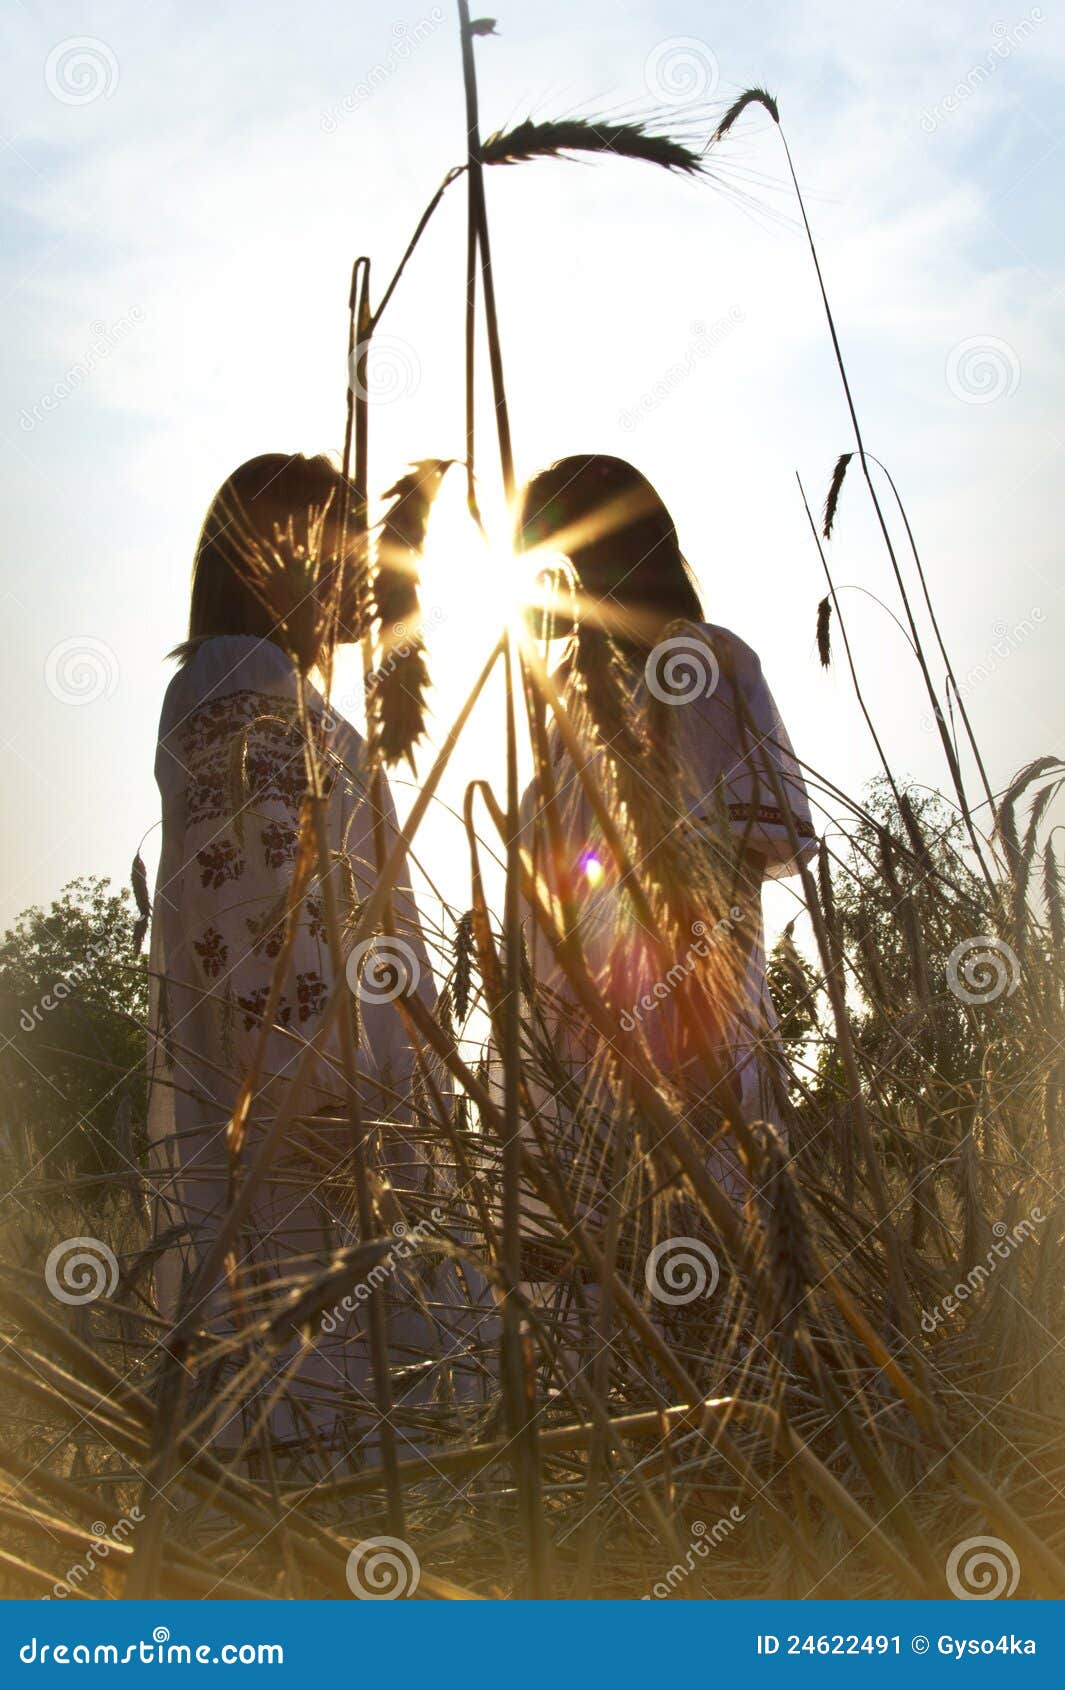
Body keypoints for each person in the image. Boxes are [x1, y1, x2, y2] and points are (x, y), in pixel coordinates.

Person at [146, 452, 488, 1471]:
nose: (361, 570)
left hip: (337, 1106)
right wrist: (331, 1091)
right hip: (313, 1122)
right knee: (329, 1396)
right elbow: (254, 909)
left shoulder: (262, 687)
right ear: (276, 557)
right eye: (337, 543)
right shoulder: (239, 687)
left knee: (353, 1407)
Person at [511, 454, 816, 1290]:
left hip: (690, 1041)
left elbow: (744, 860)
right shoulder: (560, 711)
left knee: (708, 1277)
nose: (543, 592)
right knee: (598, 1296)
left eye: (556, 563)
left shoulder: (705, 666)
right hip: (575, 1055)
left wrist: (699, 1027)